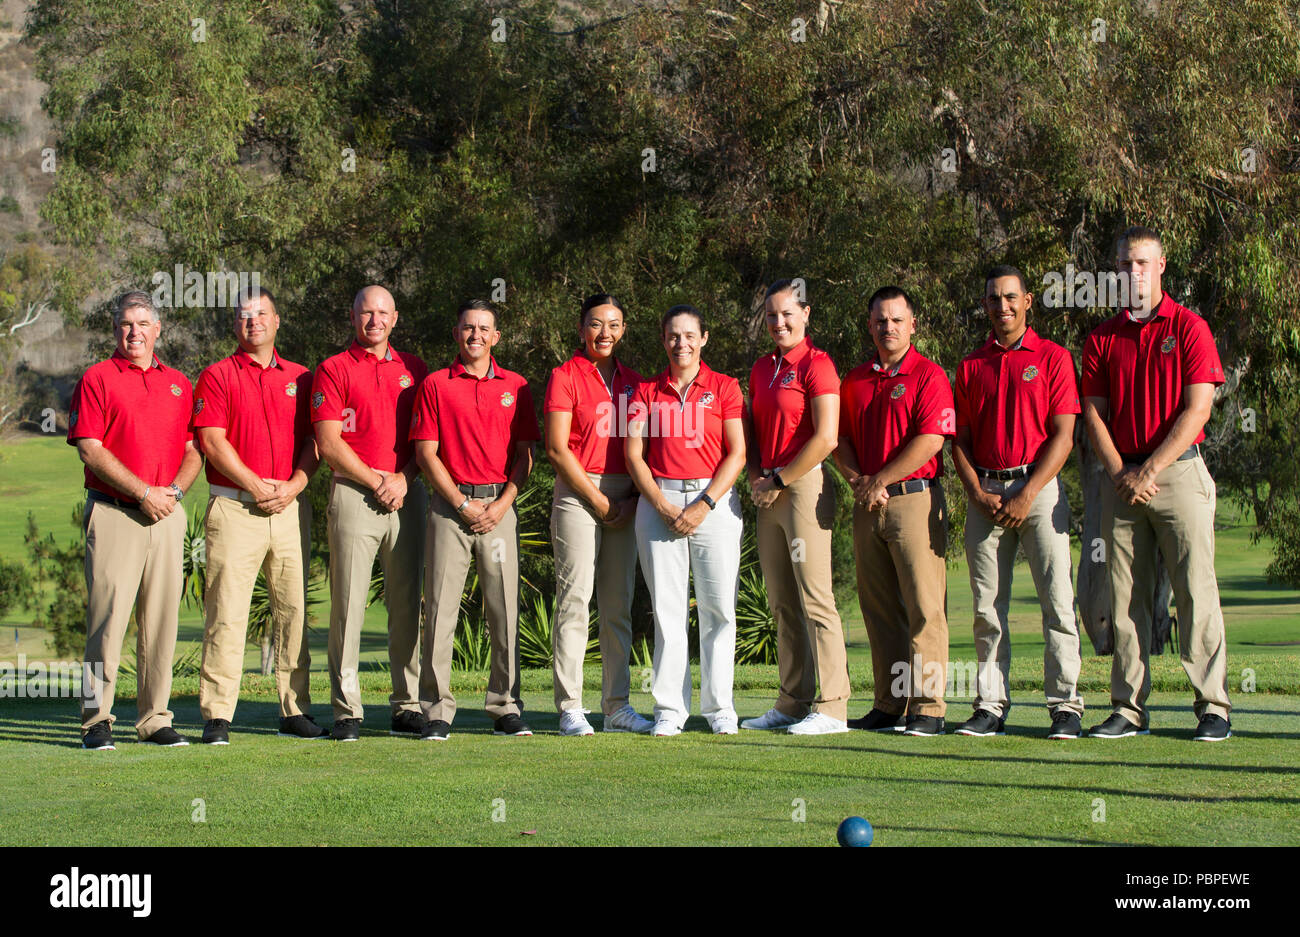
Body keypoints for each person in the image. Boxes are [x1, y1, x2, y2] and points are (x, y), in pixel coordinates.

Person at [1081, 226, 1231, 740]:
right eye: (1124, 265)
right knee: (1125, 597)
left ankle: (1212, 705)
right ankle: (1128, 708)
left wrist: (1151, 468)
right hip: (1121, 479)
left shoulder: (1189, 327)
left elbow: (1198, 409)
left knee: (1194, 590)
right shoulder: (1102, 337)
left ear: (1161, 266)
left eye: (1142, 264)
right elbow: (1093, 415)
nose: (1132, 273)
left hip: (1179, 472)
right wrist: (1122, 470)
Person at [951, 266, 1085, 739]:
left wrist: (1028, 492)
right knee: (988, 609)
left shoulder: (1052, 358)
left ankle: (1065, 706)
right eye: (993, 299)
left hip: (1039, 489)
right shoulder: (970, 366)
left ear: (1028, 301)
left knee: (1057, 601)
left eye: (1010, 297)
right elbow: (959, 440)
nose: (1002, 306)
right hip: (985, 493)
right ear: (985, 305)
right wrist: (975, 491)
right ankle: (990, 706)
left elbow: (1064, 436)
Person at [68, 290, 202, 749]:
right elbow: (90, 448)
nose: (134, 332)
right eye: (126, 324)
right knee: (106, 622)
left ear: (157, 330)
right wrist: (143, 492)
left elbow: (192, 450)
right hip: (113, 514)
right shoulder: (98, 378)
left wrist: (174, 493)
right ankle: (95, 721)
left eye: (143, 324)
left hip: (167, 515)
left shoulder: (179, 384)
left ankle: (154, 719)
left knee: (161, 623)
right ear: (115, 329)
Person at [192, 287, 324, 744]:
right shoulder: (217, 375)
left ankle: (294, 710)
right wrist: (255, 485)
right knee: (226, 612)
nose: (254, 322)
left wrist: (293, 486)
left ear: (277, 320)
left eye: (262, 314)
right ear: (235, 325)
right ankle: (217, 715)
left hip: (289, 506)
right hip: (234, 507)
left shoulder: (304, 378)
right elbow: (212, 441)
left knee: (292, 611)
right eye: (245, 316)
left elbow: (316, 442)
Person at [412, 299, 540, 740]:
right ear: (456, 333)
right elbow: (426, 454)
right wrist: (462, 505)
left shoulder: (517, 385)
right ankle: (436, 712)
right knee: (441, 611)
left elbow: (525, 454)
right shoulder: (435, 384)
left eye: (484, 329)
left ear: (496, 336)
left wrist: (502, 504)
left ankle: (505, 706)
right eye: (468, 328)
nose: (476, 336)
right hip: (451, 511)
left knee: (503, 610)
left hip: (499, 509)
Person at [835, 287, 953, 736]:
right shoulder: (856, 379)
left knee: (925, 607)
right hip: (868, 504)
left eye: (897, 320)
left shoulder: (928, 375)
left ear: (912, 325)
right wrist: (858, 483)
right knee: (879, 609)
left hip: (914, 499)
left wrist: (878, 480)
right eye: (881, 321)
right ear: (870, 325)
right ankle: (889, 703)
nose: (888, 328)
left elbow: (931, 440)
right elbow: (839, 440)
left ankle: (928, 707)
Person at [312, 285, 428, 742]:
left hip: (406, 493)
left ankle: (407, 704)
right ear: (353, 316)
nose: (374, 320)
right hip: (355, 495)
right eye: (366, 312)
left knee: (406, 603)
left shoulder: (414, 369)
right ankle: (346, 710)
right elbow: (329, 442)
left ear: (395, 318)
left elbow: (426, 439)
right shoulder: (333, 368)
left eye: (382, 313)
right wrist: (377, 480)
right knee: (348, 605)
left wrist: (403, 477)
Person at [625, 304, 746, 736]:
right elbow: (634, 455)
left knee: (718, 610)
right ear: (664, 340)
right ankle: (670, 710)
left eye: (690, 335)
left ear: (704, 338)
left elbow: (737, 453)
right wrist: (660, 504)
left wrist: (704, 504)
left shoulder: (726, 387)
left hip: (713, 503)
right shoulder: (644, 392)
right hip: (659, 504)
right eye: (674, 336)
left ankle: (719, 709)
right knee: (668, 612)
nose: (682, 343)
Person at [740, 279, 851, 735]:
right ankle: (791, 701)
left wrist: (780, 479)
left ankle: (833, 707)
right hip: (769, 489)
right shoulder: (761, 368)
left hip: (802, 485)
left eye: (787, 313)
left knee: (815, 598)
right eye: (771, 315)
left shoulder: (818, 365)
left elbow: (827, 438)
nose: (778, 322)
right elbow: (753, 432)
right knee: (782, 601)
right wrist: (756, 479)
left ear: (806, 314)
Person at [543, 294, 653, 736]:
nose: (604, 333)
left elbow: (644, 448)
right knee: (574, 601)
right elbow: (555, 448)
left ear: (623, 329)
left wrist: (630, 500)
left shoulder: (637, 383)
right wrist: (600, 501)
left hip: (626, 496)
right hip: (577, 492)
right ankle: (571, 706)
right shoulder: (564, 376)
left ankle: (616, 706)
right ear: (580, 328)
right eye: (595, 324)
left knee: (617, 605)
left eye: (613, 324)